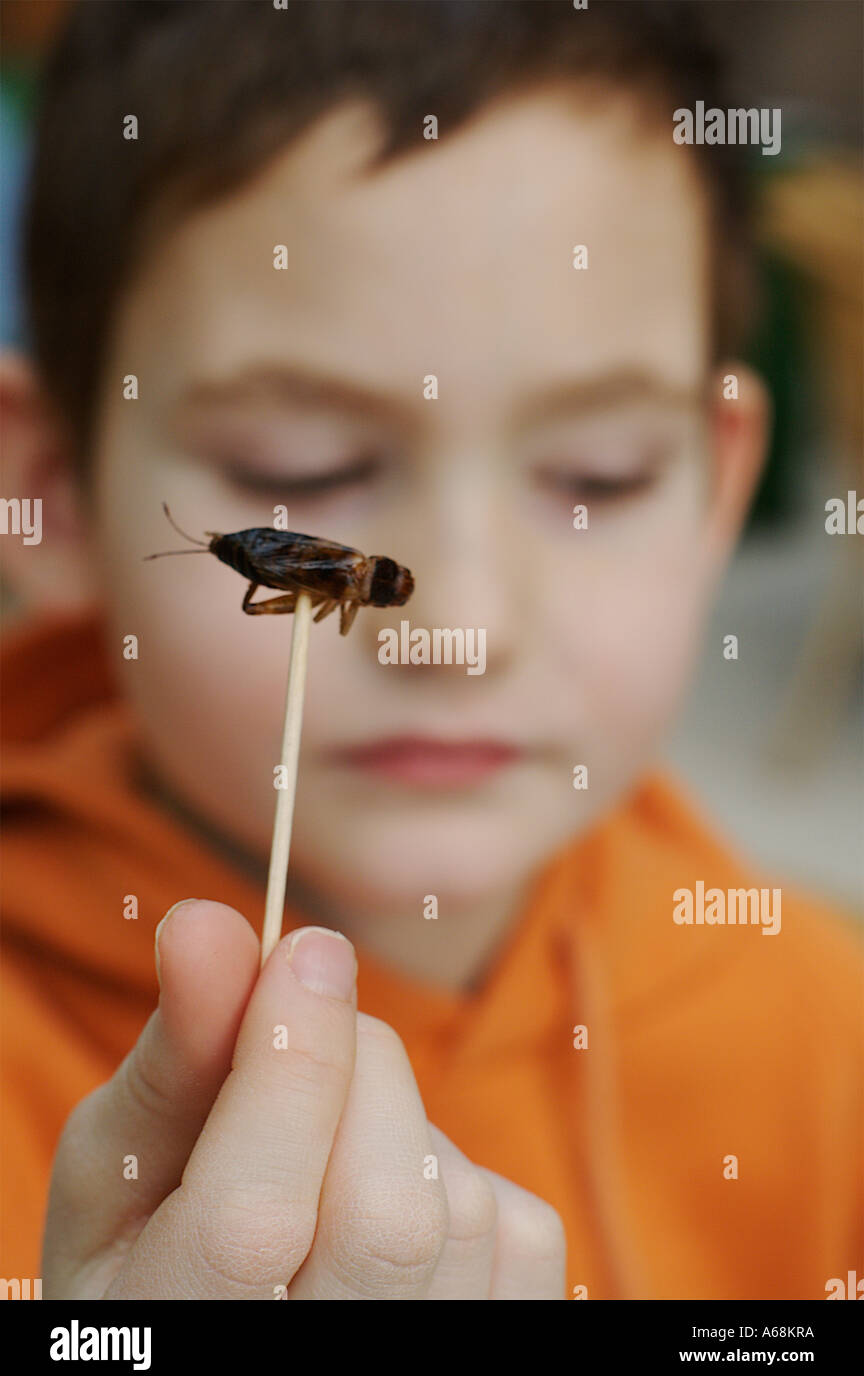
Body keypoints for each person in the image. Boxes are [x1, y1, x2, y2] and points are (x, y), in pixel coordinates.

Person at [1, 0, 861, 1300]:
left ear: (716, 486)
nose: (461, 625)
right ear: (52, 492)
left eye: (597, 476)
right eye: (304, 467)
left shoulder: (821, 1022)